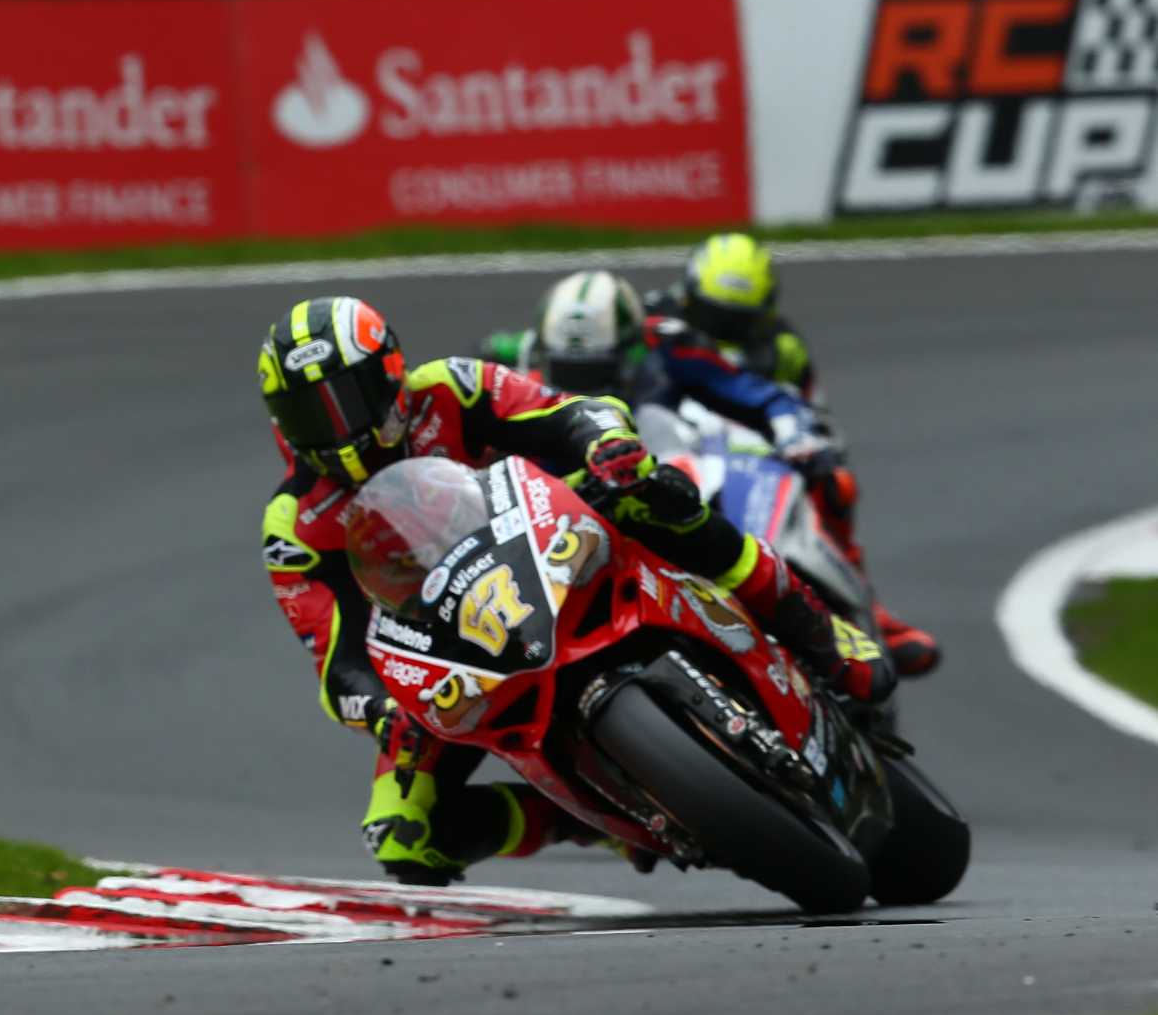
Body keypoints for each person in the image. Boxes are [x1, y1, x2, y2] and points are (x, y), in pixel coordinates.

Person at [258, 293, 888, 886]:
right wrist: (377, 708)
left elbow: (567, 411)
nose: (336, 428)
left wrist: (607, 443)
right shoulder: (295, 524)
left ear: (389, 375)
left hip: (552, 533)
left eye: (346, 400)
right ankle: (596, 821)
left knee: (659, 497)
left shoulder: (450, 387)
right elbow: (338, 662)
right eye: (310, 412)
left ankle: (821, 632)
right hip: (454, 647)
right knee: (404, 835)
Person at [483, 250, 938, 674]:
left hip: (667, 479)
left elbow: (758, 394)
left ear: (630, 350)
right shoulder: (520, 370)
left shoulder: (672, 346)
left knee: (813, 496)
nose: (581, 385)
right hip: (565, 511)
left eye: (595, 371)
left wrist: (795, 433)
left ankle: (857, 622)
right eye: (568, 370)